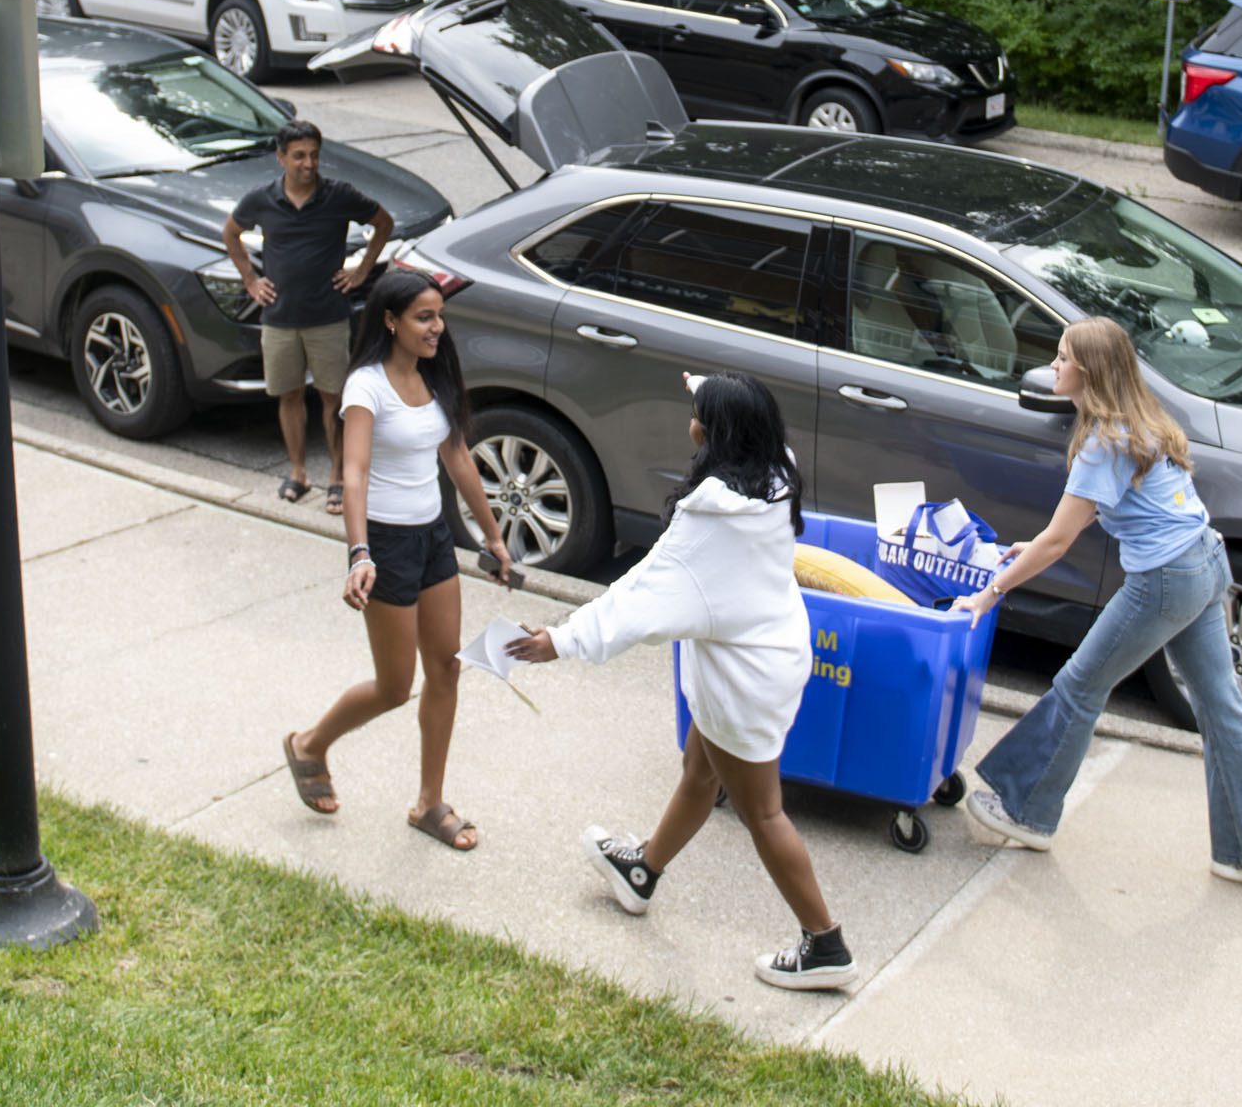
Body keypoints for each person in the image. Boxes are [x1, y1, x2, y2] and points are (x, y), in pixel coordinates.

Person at [504, 373, 858, 993]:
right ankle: (642, 870)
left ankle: (825, 943)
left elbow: (636, 600)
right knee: (700, 773)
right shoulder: (774, 474)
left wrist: (558, 640)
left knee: (764, 812)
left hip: (744, 681)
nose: (688, 422)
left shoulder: (707, 529)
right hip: (763, 657)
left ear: (716, 434)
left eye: (697, 415)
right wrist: (711, 386)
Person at [955, 315, 1242, 885]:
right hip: (1207, 559)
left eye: (1063, 358)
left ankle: (1027, 812)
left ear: (1089, 371)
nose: (1053, 366)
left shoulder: (1100, 443)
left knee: (1079, 687)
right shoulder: (1141, 422)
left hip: (1166, 580)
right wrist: (1034, 547)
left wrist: (991, 591)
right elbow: (1099, 521)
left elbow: (1060, 539)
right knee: (1222, 707)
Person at [281, 267, 514, 853]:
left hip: (432, 537)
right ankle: (309, 745)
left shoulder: (434, 378)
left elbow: (458, 457)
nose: (438, 327)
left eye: (439, 315)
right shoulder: (367, 386)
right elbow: (353, 473)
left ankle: (429, 802)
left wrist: (492, 536)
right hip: (383, 543)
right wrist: (358, 551)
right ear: (391, 321)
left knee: (447, 668)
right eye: (424, 317)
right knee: (394, 685)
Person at [223, 120, 391, 504]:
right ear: (281, 158)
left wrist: (362, 269)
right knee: (289, 395)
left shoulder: (339, 196)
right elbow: (231, 233)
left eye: (314, 155)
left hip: (328, 317)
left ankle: (336, 476)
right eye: (299, 156)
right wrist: (251, 280)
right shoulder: (261, 200)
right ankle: (298, 473)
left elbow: (383, 223)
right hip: (280, 318)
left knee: (333, 398)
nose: (309, 163)